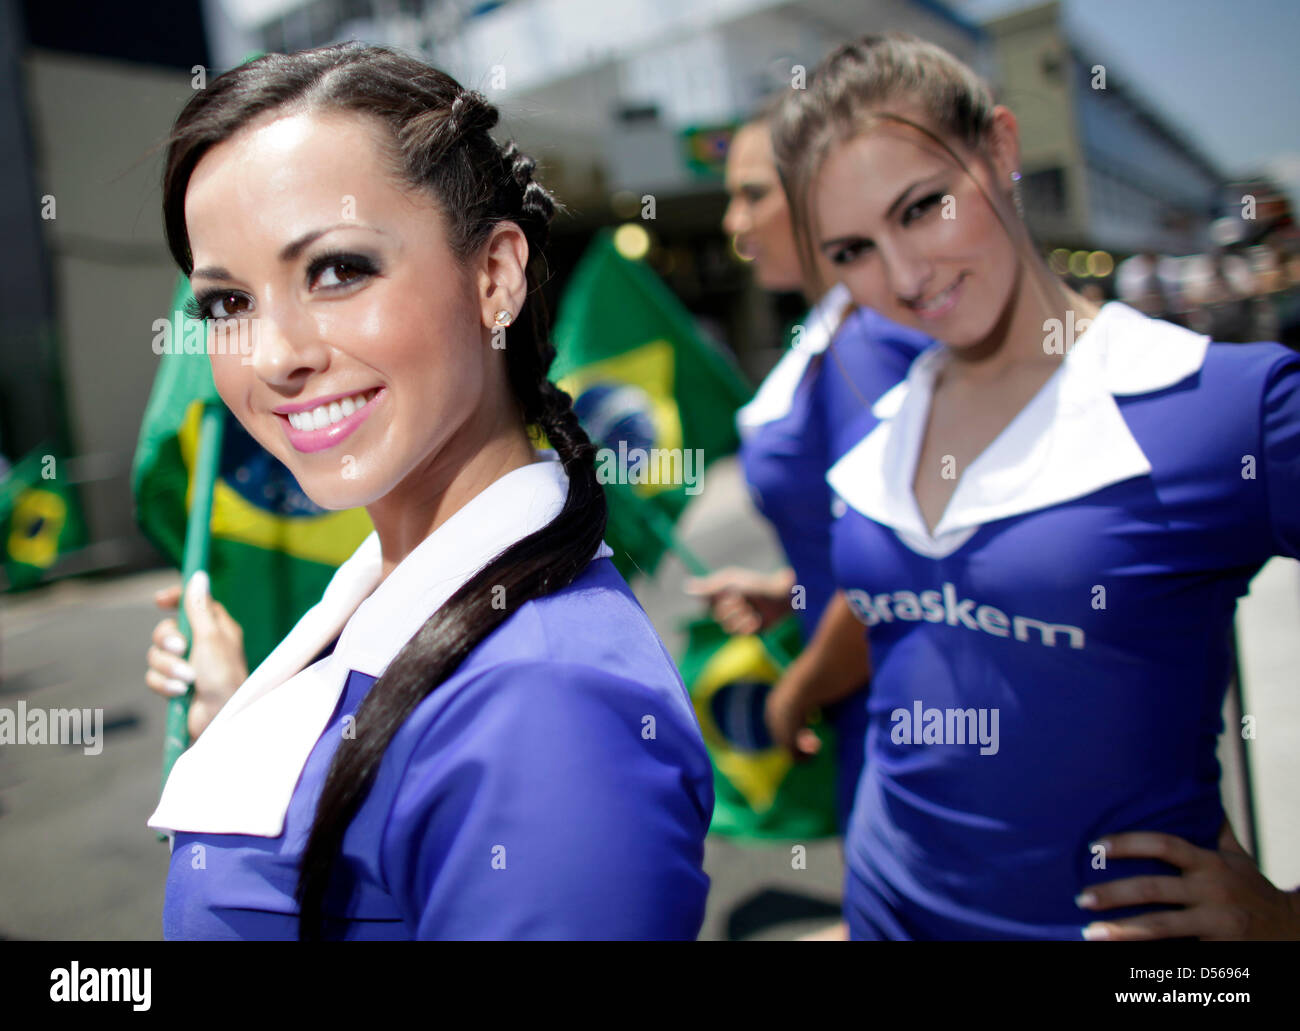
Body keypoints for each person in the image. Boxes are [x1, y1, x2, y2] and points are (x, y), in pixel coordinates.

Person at [143, 42, 713, 941]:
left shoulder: (552, 716)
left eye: (337, 270)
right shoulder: (396, 597)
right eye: (227, 304)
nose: (275, 355)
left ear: (495, 277)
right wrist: (241, 706)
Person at [767, 32, 1300, 940]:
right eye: (853, 249)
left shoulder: (1221, 407)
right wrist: (796, 681)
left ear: (1001, 152)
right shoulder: (888, 424)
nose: (903, 277)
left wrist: (1287, 920)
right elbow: (917, 596)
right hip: (882, 908)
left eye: (925, 206)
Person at [689, 97, 930, 839]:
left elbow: (903, 564)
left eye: (753, 193)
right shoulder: (836, 326)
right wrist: (791, 590)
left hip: (904, 695)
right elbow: (862, 537)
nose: (734, 222)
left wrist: (796, 688)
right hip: (870, 689)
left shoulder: (873, 336)